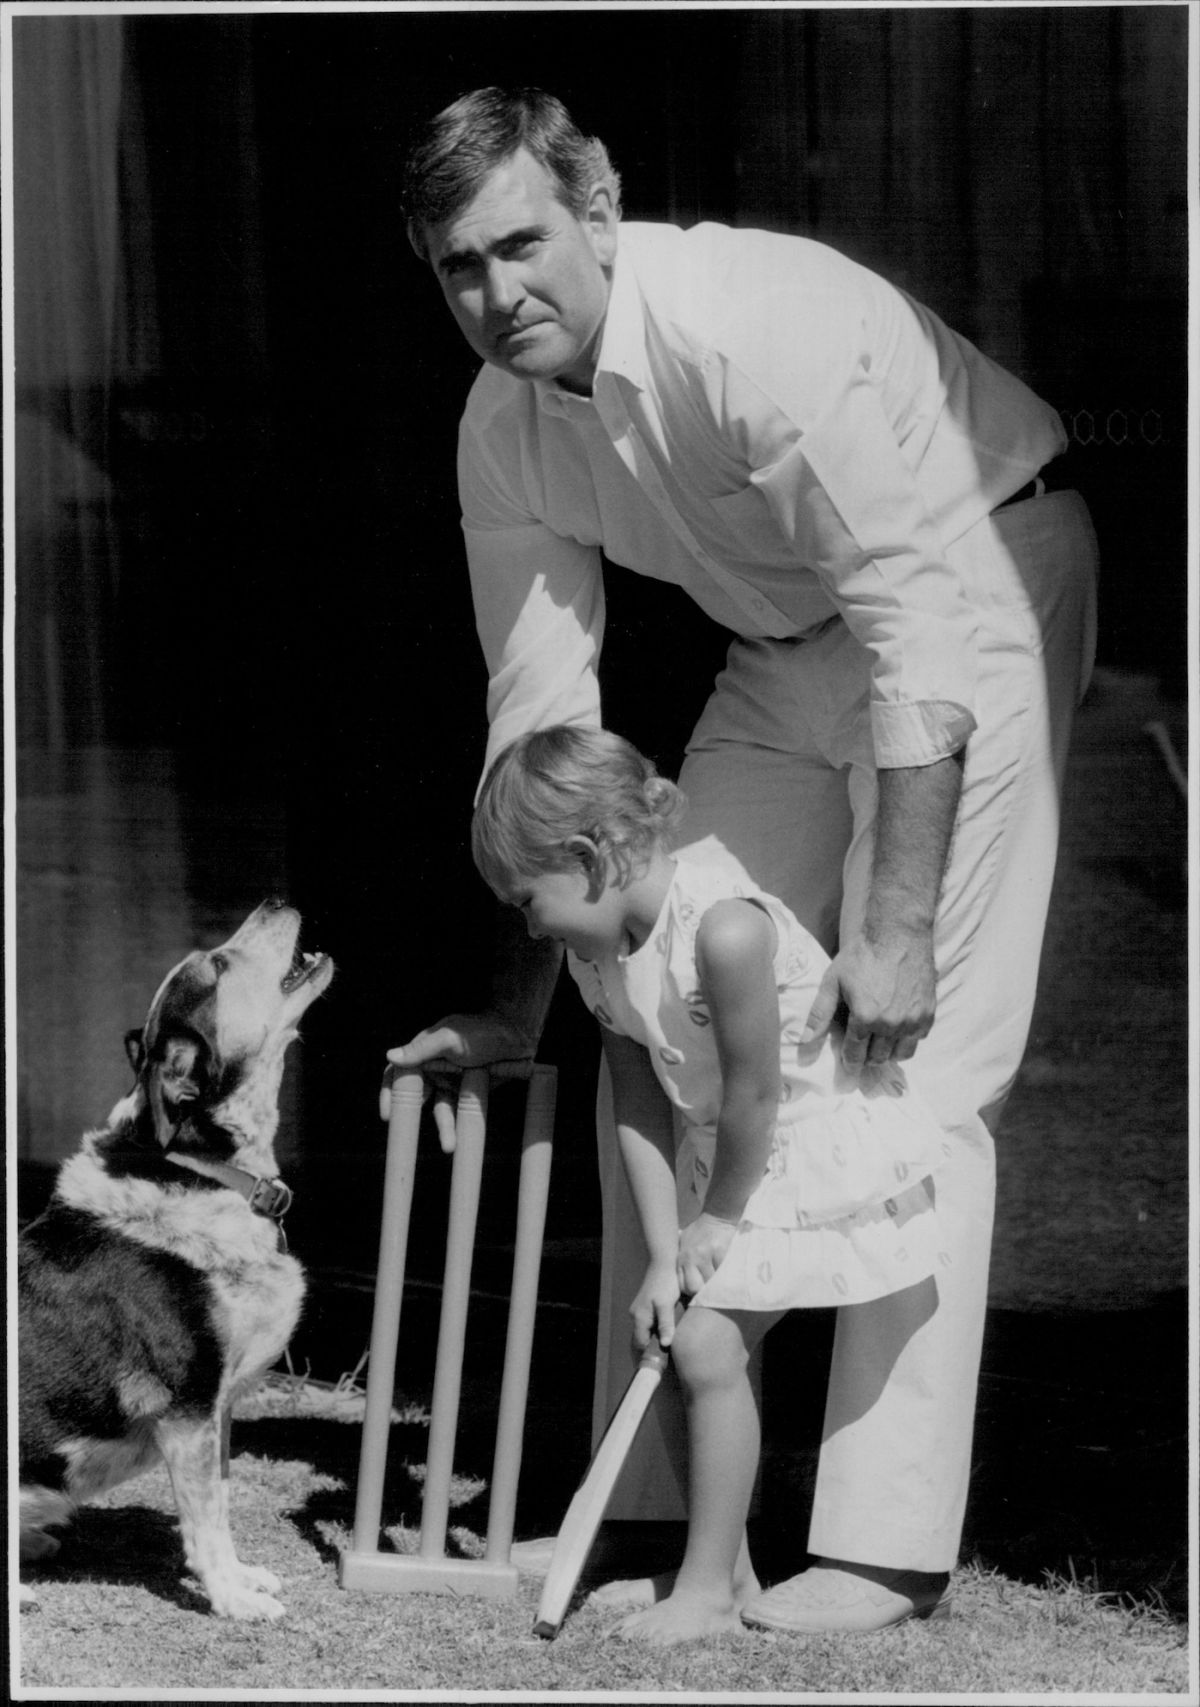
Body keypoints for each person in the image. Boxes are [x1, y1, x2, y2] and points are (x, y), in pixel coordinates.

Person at [387, 86, 1098, 1632]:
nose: (497, 293)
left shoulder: (748, 332)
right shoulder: (501, 427)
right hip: (784, 643)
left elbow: (921, 636)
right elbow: (542, 743)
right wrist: (531, 992)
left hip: (976, 572)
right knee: (655, 999)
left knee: (911, 1052)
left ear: (597, 209)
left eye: (520, 243)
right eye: (458, 266)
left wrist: (894, 924)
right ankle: (647, 1498)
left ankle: (883, 1544)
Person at [471, 724, 950, 1644]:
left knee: (703, 1345)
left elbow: (756, 1094)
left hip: (798, 1146)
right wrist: (664, 1252)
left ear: (590, 858)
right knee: (673, 1334)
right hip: (726, 1153)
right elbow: (639, 1100)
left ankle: (709, 1594)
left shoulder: (724, 930)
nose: (530, 928)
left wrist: (717, 1221)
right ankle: (721, 1568)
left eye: (529, 901)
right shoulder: (596, 959)